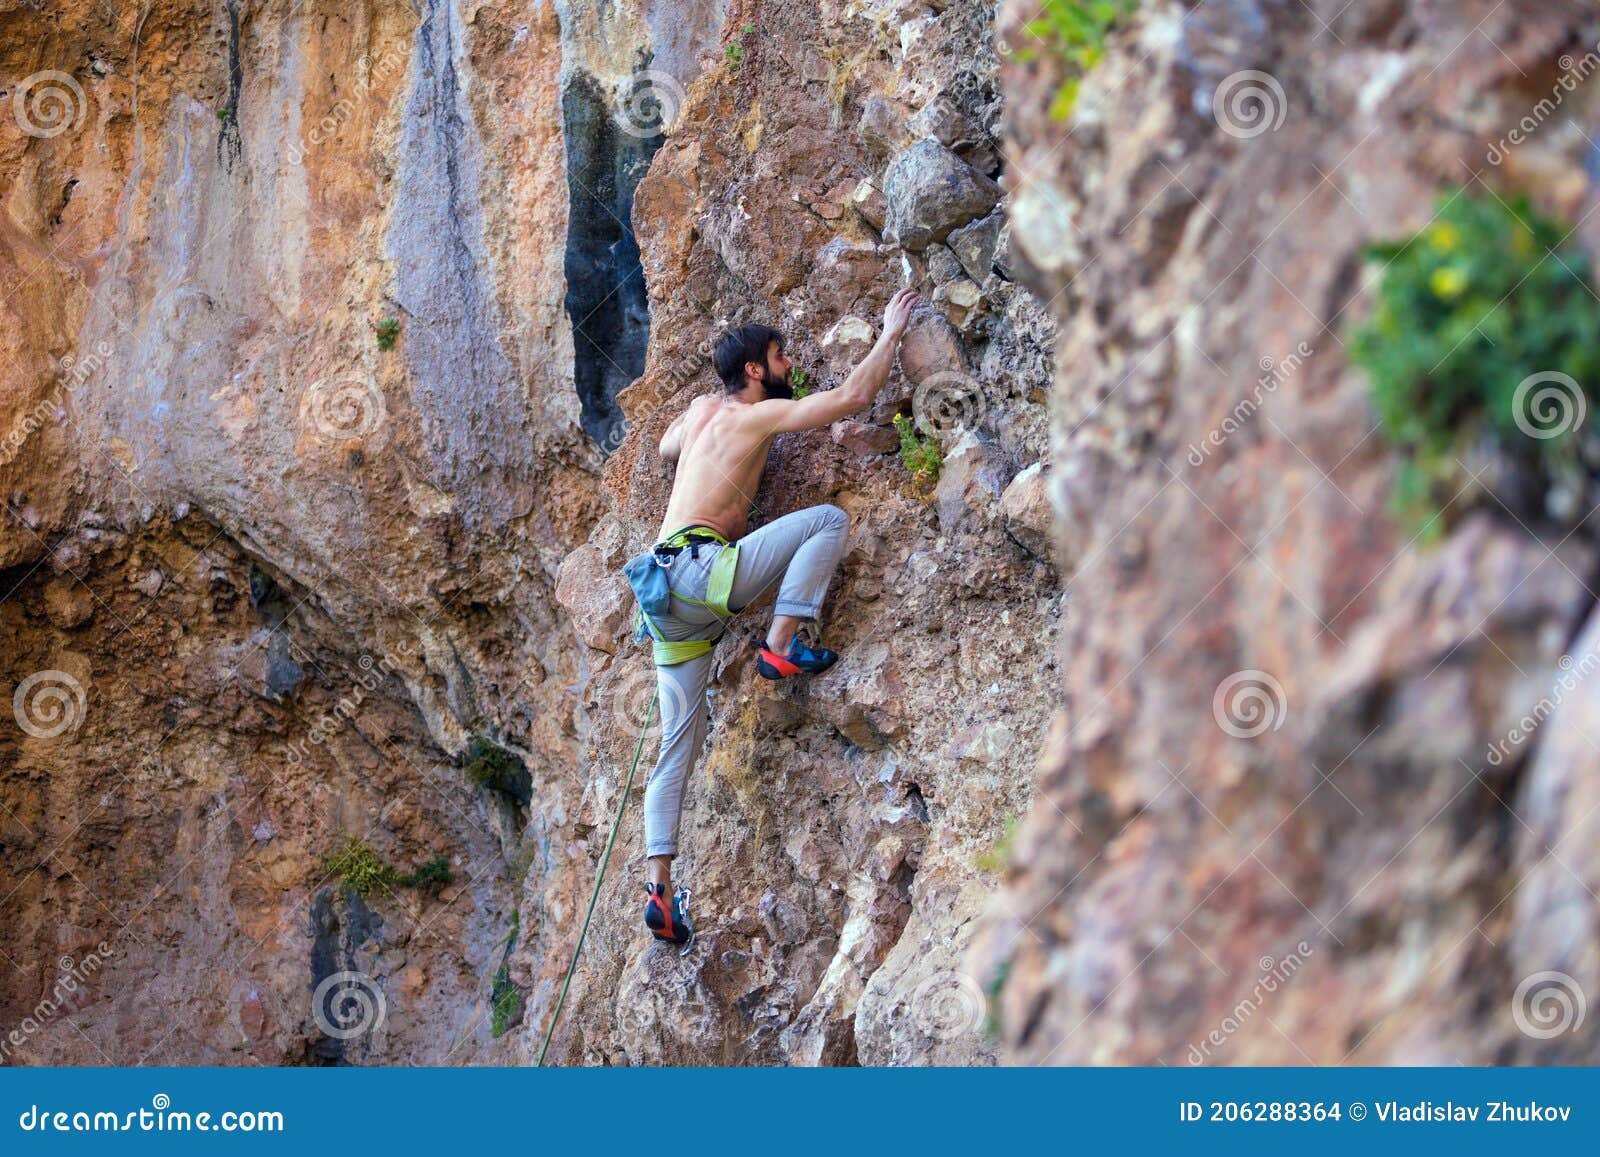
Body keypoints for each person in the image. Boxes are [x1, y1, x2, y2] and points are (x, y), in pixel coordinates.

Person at [638, 288, 921, 947]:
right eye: (780, 355)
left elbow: (663, 448)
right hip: (702, 574)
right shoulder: (749, 418)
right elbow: (850, 399)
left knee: (675, 744)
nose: (790, 362)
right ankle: (781, 645)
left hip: (658, 591)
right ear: (757, 372)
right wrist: (890, 331)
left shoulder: (700, 413)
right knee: (827, 520)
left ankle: (660, 890)